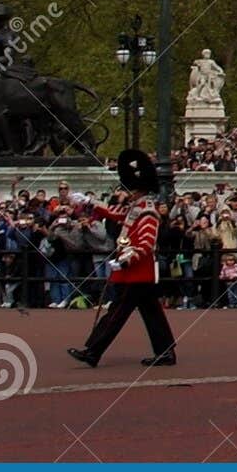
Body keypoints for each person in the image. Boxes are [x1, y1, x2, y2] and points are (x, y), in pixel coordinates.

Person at [67, 150, 177, 368]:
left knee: (116, 313)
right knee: (152, 314)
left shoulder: (148, 211)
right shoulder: (137, 207)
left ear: (139, 189)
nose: (128, 193)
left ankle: (93, 352)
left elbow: (146, 244)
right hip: (137, 272)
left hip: (136, 271)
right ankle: (166, 352)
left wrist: (127, 259)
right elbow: (114, 212)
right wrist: (90, 202)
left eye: (131, 189)